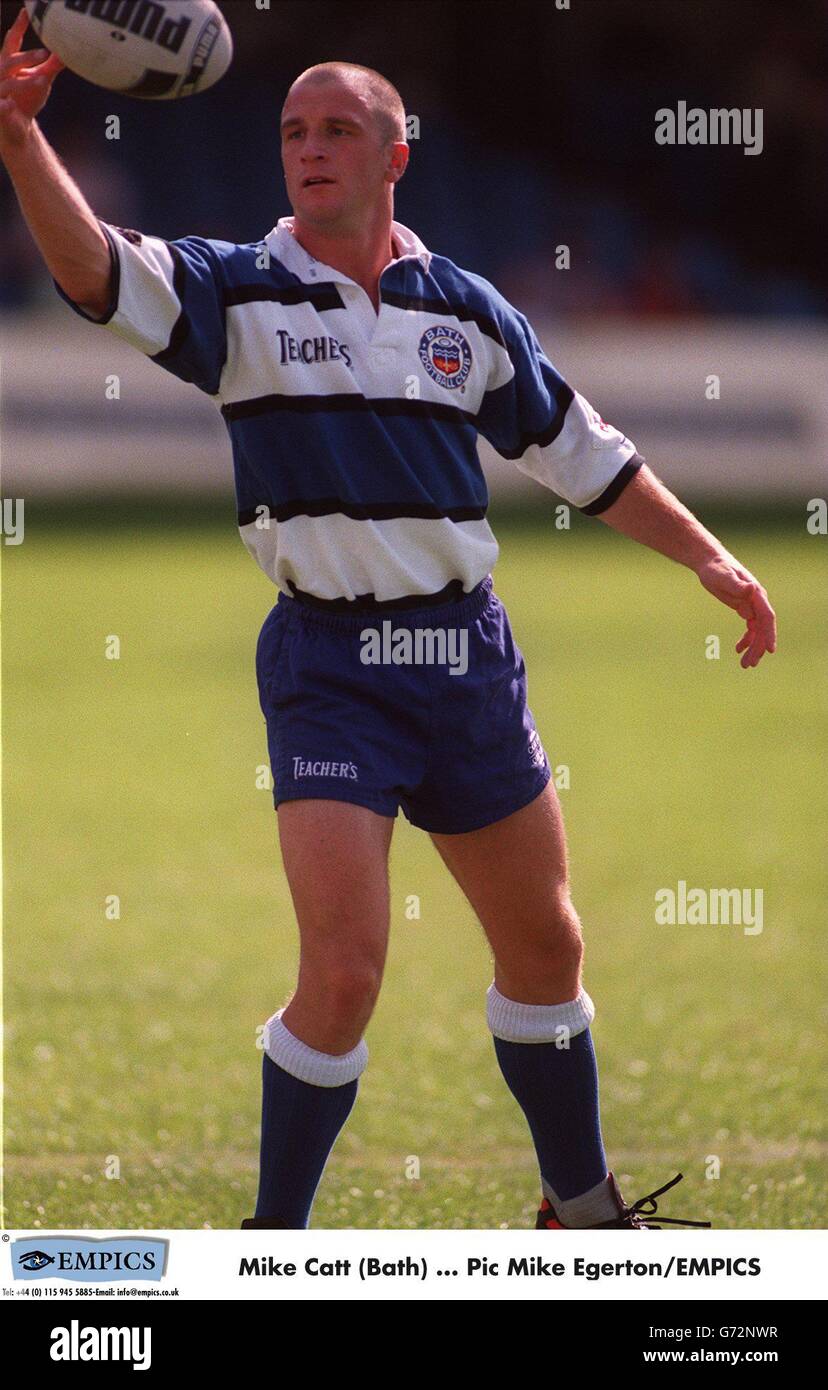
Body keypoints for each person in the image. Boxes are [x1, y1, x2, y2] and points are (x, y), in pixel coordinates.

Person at [0, 12, 775, 1231]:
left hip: (466, 657)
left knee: (548, 953)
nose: (311, 149)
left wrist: (712, 558)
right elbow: (93, 267)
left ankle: (579, 1203)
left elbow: (582, 452)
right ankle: (274, 1245)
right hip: (327, 666)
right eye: (293, 131)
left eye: (339, 130)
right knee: (346, 969)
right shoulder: (234, 288)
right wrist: (15, 133)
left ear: (394, 153)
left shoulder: (463, 310)